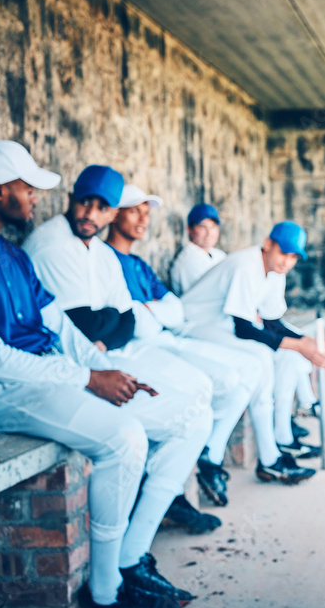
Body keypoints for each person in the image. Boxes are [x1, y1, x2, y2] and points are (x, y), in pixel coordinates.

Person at [0, 141, 206, 608]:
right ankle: (109, 592)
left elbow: (62, 330)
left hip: (51, 378)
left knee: (184, 415)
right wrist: (86, 379)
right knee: (125, 438)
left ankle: (130, 560)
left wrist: (104, 370)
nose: (36, 199)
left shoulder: (12, 256)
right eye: (29, 189)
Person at [22, 164, 215, 608]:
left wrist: (109, 326)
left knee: (199, 414)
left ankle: (133, 553)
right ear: (71, 198)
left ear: (112, 213)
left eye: (102, 206)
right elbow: (83, 324)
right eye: (84, 201)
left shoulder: (102, 252)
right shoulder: (51, 243)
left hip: (103, 361)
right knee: (173, 425)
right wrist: (109, 325)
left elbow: (125, 321)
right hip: (69, 373)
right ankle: (120, 571)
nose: (90, 212)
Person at [108, 185, 269, 509]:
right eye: (134, 210)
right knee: (202, 392)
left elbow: (172, 309)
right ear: (114, 213)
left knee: (244, 375)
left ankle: (207, 457)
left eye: (146, 212)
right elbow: (131, 319)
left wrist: (152, 310)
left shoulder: (138, 263)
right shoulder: (105, 259)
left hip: (168, 335)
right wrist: (154, 311)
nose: (143, 219)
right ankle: (170, 492)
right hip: (137, 348)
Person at [181, 221, 325, 483]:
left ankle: (264, 457)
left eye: (293, 257)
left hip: (221, 326)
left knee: (269, 359)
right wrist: (301, 346)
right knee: (261, 358)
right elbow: (244, 328)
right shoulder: (246, 264)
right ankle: (243, 455)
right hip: (191, 325)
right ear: (268, 244)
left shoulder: (276, 271)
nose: (287, 261)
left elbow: (271, 321)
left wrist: (308, 341)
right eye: (283, 253)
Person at [170, 203, 226, 296]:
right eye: (202, 226)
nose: (209, 233)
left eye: (213, 227)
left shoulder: (218, 254)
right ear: (189, 229)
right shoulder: (188, 260)